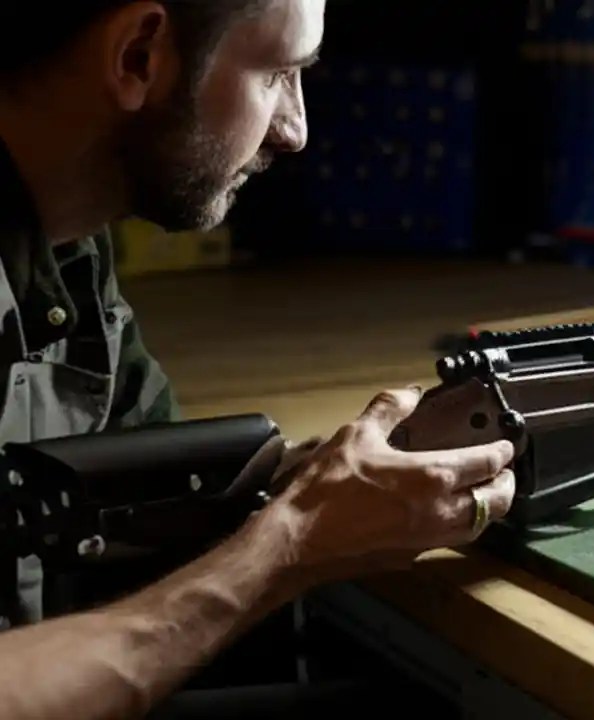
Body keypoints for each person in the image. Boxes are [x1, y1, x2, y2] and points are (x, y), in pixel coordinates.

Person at [0, 0, 516, 717]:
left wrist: (318, 480)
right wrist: (292, 541)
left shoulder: (66, 246)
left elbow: (142, 497)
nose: (296, 130)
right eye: (278, 73)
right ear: (138, 57)